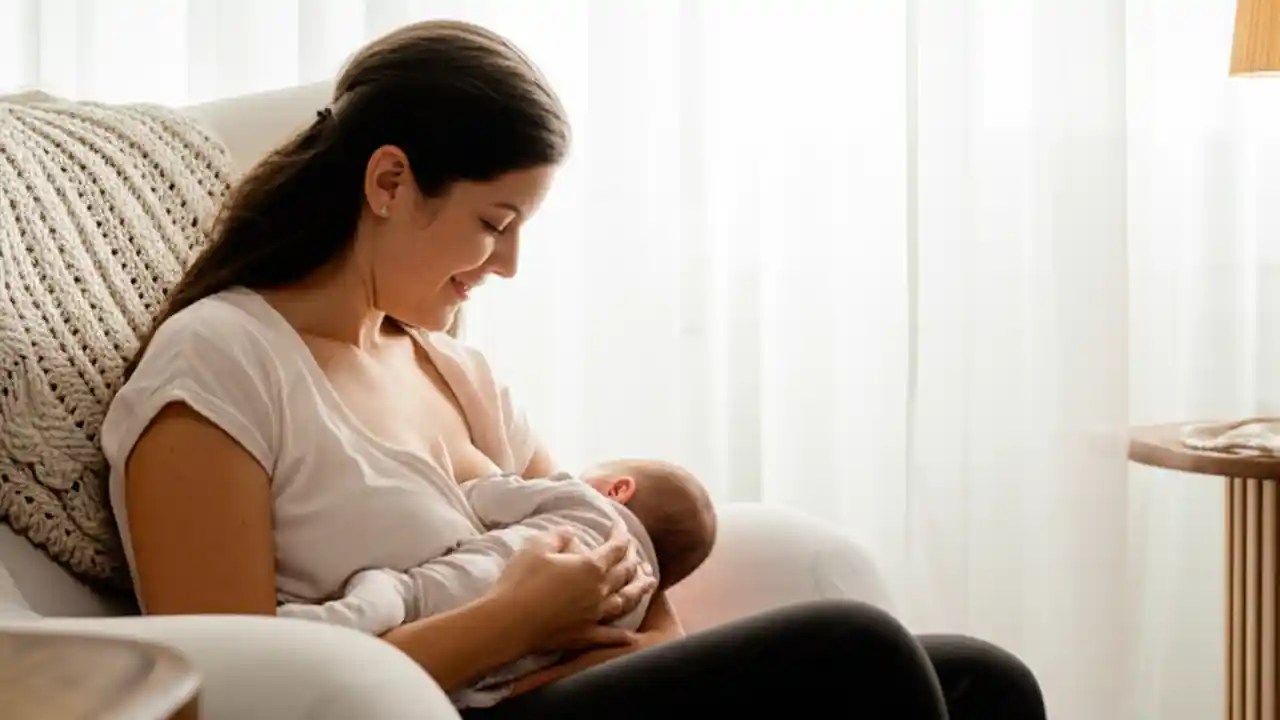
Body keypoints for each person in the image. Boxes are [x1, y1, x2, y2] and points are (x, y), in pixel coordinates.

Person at [100, 19, 1047, 719]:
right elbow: (222, 683)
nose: (505, 265)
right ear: (389, 183)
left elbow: (607, 551)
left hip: (557, 690)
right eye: (493, 223)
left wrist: (629, 649)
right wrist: (512, 622)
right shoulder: (223, 362)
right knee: (855, 650)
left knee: (981, 678)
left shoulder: (454, 372)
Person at [275, 458, 716, 708]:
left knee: (383, 592)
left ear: (618, 489)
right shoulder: (636, 595)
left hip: (431, 595)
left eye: (592, 470)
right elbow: (645, 644)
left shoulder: (579, 500)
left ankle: (300, 628)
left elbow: (485, 494)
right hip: (490, 682)